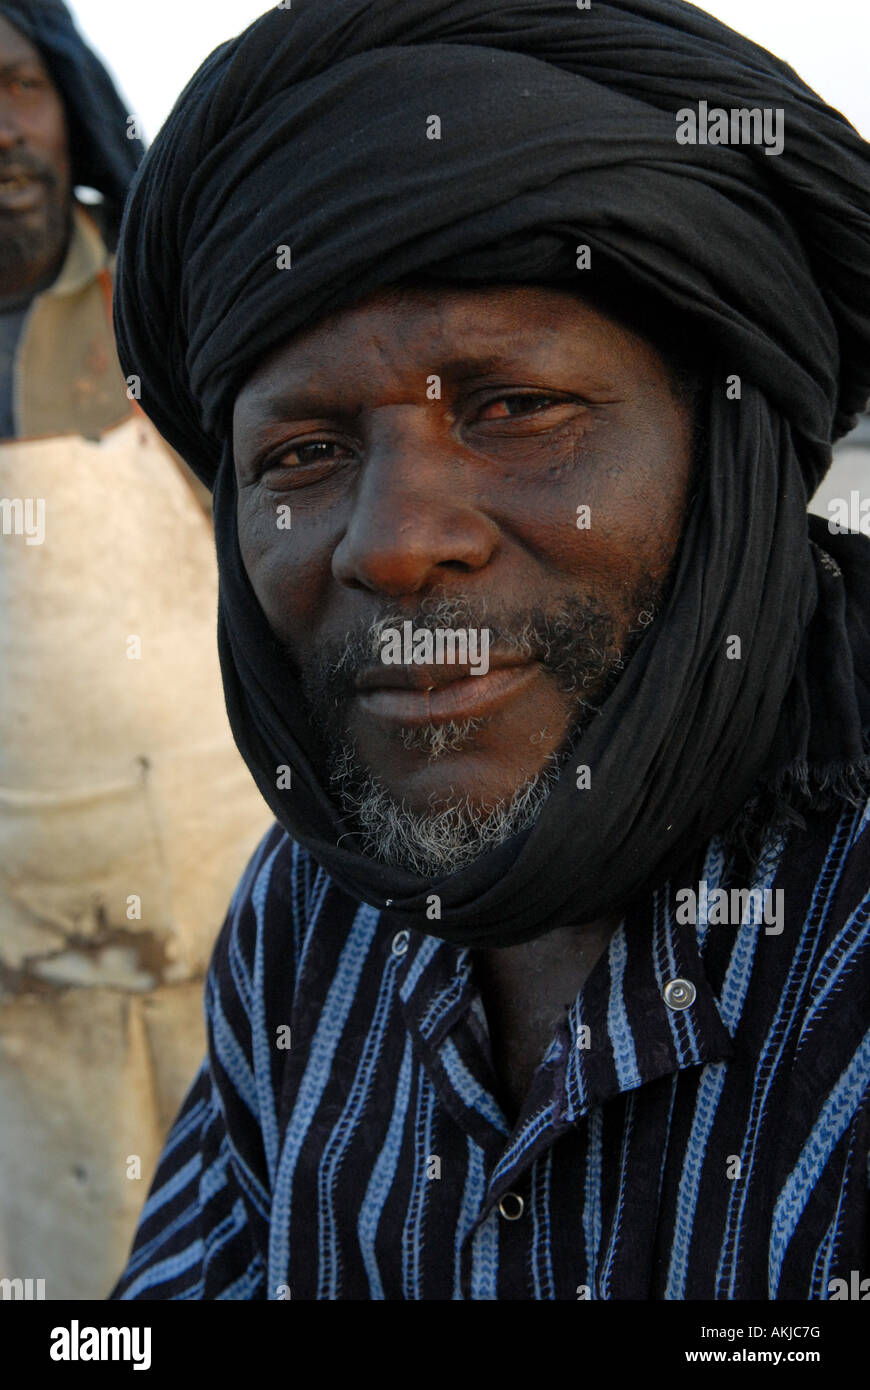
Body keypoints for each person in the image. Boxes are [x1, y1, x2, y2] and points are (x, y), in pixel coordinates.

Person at [110, 0, 870, 1300]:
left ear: (728, 453)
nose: (393, 546)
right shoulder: (308, 914)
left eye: (515, 408)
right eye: (302, 454)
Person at [0, 1, 269, 1299]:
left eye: (15, 87)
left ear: (65, 97)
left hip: (241, 942)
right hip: (22, 1004)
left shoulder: (167, 307)